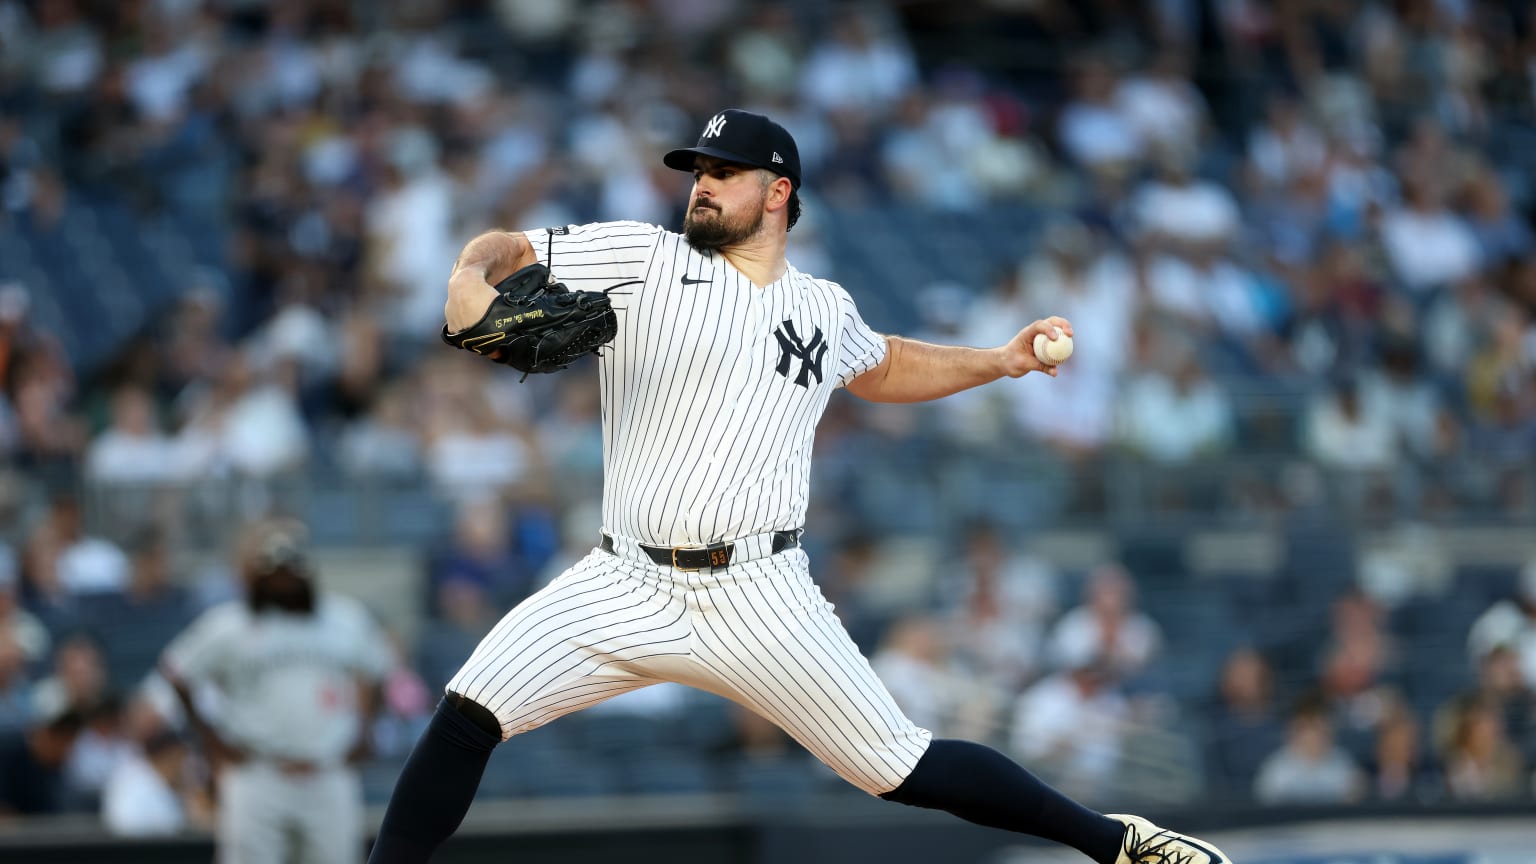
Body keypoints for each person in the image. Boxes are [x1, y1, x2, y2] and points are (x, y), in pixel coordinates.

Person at [368, 109, 1227, 864]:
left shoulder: (823, 307)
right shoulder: (643, 255)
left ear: (777, 191)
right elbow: (511, 248)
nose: (702, 185)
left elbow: (885, 365)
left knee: (900, 765)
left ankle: (1117, 844)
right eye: (697, 171)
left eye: (723, 172)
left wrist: (998, 360)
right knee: (468, 711)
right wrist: (469, 275)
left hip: (760, 590)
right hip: (623, 579)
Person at [160, 518, 392, 864]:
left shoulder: (343, 618)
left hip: (327, 770)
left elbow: (379, 670)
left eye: (291, 571)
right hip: (257, 772)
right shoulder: (230, 624)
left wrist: (365, 729)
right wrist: (211, 740)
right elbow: (177, 671)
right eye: (275, 572)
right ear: (259, 577)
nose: (284, 580)